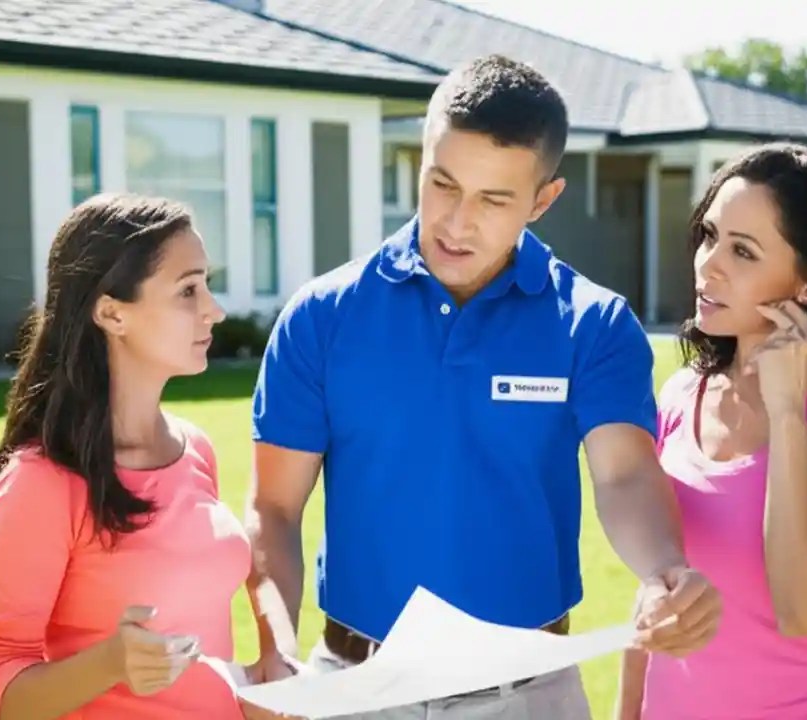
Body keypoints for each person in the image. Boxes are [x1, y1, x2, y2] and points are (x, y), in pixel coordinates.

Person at [245, 54, 722, 719]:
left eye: (493, 199)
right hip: (355, 689)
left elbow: (624, 476)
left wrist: (665, 569)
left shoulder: (592, 322)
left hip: (527, 697)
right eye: (442, 184)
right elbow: (274, 507)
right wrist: (276, 643)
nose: (456, 221)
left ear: (543, 199)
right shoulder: (322, 317)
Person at [614, 143, 807, 720]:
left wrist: (788, 412)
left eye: (742, 251)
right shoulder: (683, 393)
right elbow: (656, 601)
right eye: (710, 235)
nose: (707, 264)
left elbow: (802, 607)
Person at [0, 194, 264, 720]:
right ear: (111, 312)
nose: (213, 310)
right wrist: (107, 664)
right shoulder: (42, 481)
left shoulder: (194, 450)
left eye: (208, 286)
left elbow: (205, 656)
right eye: (187, 290)